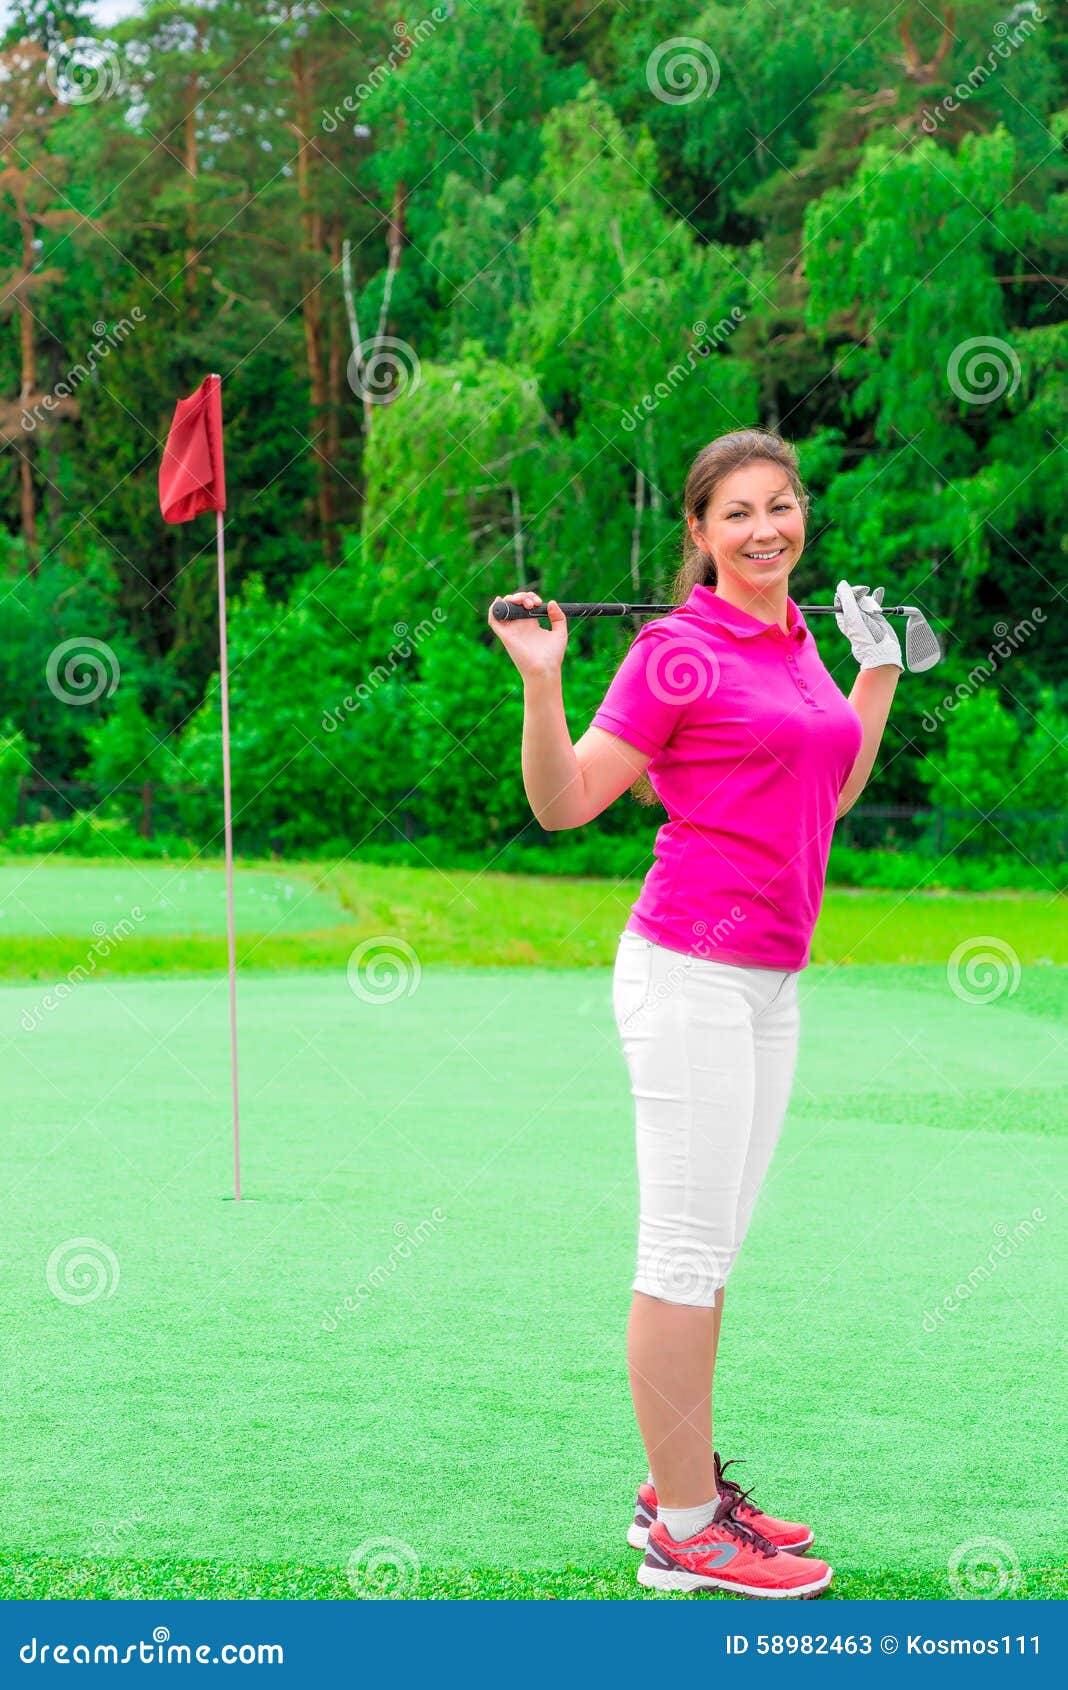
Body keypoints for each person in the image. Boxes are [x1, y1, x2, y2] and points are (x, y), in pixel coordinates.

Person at [488, 428, 904, 1597]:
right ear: (700, 533)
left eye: (782, 505)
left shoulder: (797, 638)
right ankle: (681, 1530)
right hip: (687, 972)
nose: (767, 528)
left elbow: (833, 783)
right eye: (739, 513)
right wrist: (542, 677)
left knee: (712, 1253)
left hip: (772, 983)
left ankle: (683, 1486)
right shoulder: (675, 650)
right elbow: (566, 801)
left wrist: (875, 672)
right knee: (679, 1255)